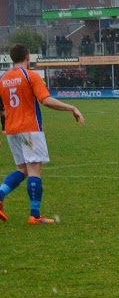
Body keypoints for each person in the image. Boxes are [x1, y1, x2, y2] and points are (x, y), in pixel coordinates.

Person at [0, 42, 85, 224]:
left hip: (11, 129)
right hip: (30, 128)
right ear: (27, 57)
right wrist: (72, 107)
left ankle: (0, 196)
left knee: (21, 170)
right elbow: (45, 100)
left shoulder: (3, 79)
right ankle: (35, 215)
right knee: (34, 170)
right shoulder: (30, 76)